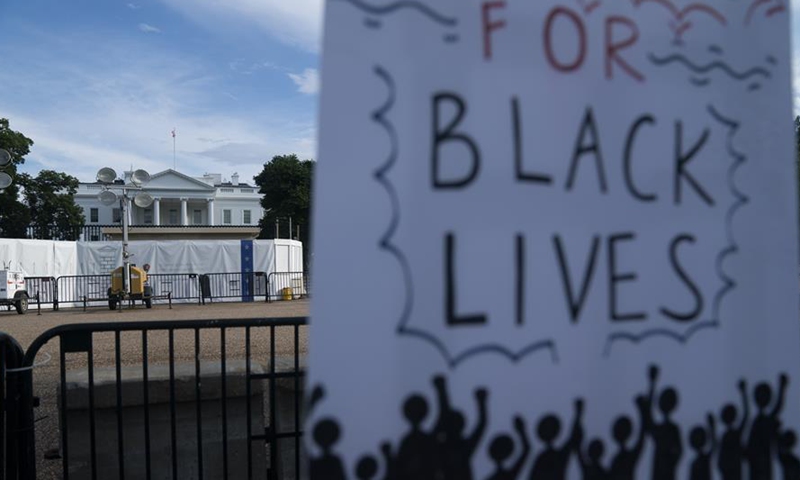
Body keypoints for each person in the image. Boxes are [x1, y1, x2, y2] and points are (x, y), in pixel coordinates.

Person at [528, 399, 584, 480]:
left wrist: (578, 414)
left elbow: (573, 438)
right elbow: (573, 438)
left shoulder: (557, 455)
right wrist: (578, 414)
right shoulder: (545, 457)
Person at [746, 374, 788, 480]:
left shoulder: (766, 420)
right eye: (759, 396)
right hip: (755, 461)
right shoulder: (756, 421)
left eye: (764, 396)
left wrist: (782, 388)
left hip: (764, 460)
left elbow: (777, 407)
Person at [717, 380, 748, 480]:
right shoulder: (727, 435)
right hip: (729, 471)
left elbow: (746, 415)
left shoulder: (734, 434)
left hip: (734, 471)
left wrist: (743, 393)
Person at [486, 416, 531, 480]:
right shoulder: (509, 475)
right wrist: (521, 432)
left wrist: (521, 431)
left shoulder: (507, 475)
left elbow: (526, 450)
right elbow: (526, 450)